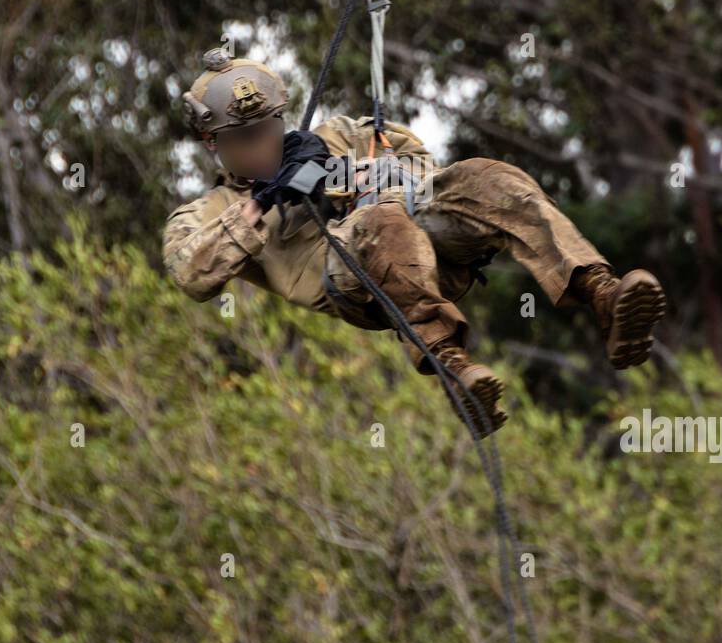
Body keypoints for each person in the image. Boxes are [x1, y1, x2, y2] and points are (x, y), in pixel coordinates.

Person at [162, 49, 666, 435]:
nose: (264, 143)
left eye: (270, 127)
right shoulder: (209, 210)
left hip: (431, 244)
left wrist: (364, 172)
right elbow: (192, 271)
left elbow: (424, 163)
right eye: (245, 138)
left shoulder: (337, 136)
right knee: (378, 223)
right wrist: (269, 202)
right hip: (360, 282)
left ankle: (602, 292)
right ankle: (455, 370)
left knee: (488, 178)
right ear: (214, 144)